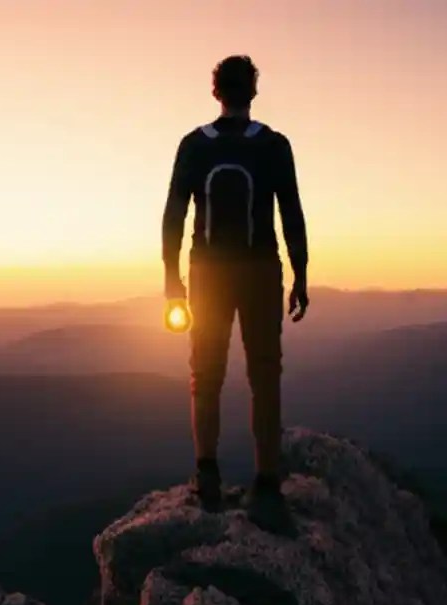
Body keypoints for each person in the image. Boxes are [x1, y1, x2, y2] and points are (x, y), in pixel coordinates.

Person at [162, 55, 309, 523]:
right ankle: (267, 482)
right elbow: (291, 211)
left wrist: (172, 278)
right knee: (264, 375)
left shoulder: (193, 145)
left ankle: (206, 474)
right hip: (262, 271)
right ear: (253, 92)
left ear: (215, 92)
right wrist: (301, 273)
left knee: (205, 374)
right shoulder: (274, 145)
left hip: (207, 274)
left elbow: (173, 215)